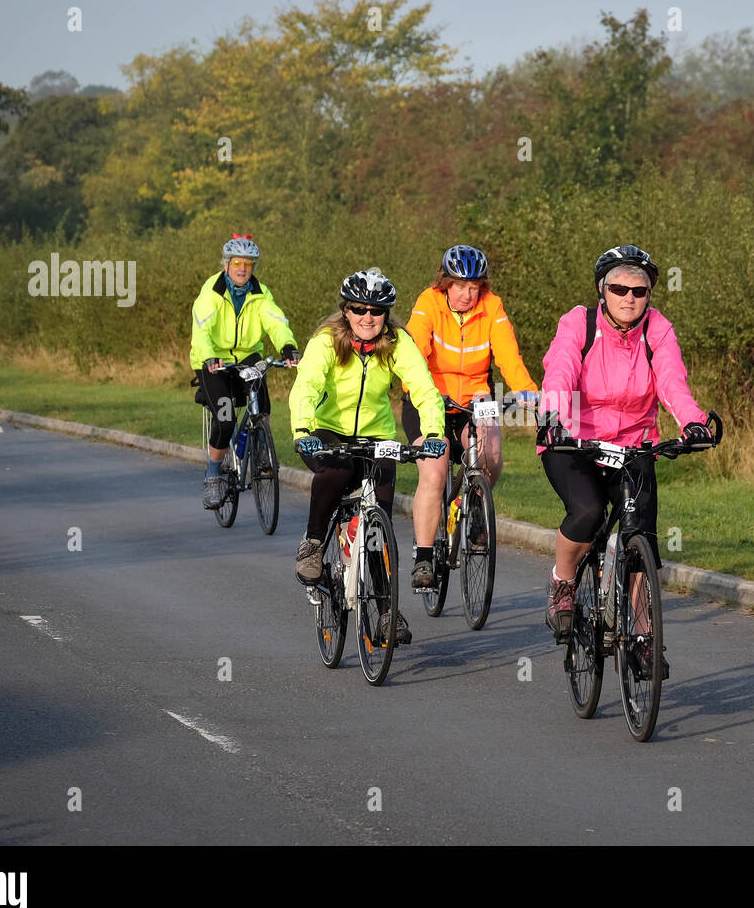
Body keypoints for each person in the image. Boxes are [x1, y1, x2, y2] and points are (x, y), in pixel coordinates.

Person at [536, 245, 714, 679]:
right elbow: (560, 371)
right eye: (619, 288)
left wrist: (693, 423)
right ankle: (563, 581)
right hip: (573, 443)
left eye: (640, 290)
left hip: (634, 445)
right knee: (589, 511)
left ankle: (642, 637)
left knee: (642, 541)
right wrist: (553, 417)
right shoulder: (579, 323)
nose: (630, 297)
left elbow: (673, 382)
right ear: (603, 290)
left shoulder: (658, 330)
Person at [288, 269, 447, 646]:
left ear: (386, 314)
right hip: (327, 430)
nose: (367, 317)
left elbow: (423, 387)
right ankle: (313, 545)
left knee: (379, 526)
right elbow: (306, 386)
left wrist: (435, 433)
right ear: (345, 310)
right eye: (358, 309)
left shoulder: (398, 341)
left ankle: (387, 612)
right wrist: (302, 431)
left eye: (376, 311)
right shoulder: (326, 340)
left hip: (377, 437)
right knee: (335, 472)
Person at [401, 245, 540, 588]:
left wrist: (526, 392)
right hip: (427, 399)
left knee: (490, 457)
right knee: (434, 471)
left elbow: (508, 355)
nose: (467, 294)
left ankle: (468, 505)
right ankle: (423, 556)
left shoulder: (492, 307)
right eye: (460, 286)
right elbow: (412, 351)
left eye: (475, 287)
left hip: (476, 397)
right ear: (445, 284)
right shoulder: (428, 302)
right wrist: (422, 389)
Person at [190, 234, 299, 510]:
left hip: (249, 357)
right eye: (237, 263)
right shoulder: (211, 293)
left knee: (261, 407)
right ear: (226, 265)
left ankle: (257, 447)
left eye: (248, 264)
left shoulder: (260, 293)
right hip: (214, 360)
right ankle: (213, 475)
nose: (242, 269)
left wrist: (287, 345)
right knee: (225, 419)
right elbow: (201, 331)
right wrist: (209, 357)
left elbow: (275, 321)